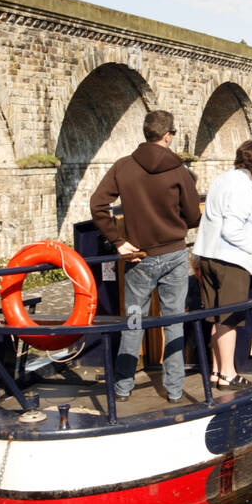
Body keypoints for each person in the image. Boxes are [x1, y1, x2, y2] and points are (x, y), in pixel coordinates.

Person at [90, 110, 201, 404]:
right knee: (173, 322)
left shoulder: (123, 167)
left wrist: (118, 241)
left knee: (134, 321)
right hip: (175, 254)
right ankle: (174, 390)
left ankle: (124, 388)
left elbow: (98, 205)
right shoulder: (180, 171)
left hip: (138, 256)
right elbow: (192, 216)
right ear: (167, 135)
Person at [192, 139, 252, 389]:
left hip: (207, 256)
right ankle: (229, 374)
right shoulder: (244, 188)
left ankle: (216, 371)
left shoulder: (222, 180)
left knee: (216, 317)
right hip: (230, 261)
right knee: (229, 319)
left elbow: (219, 213)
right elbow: (232, 229)